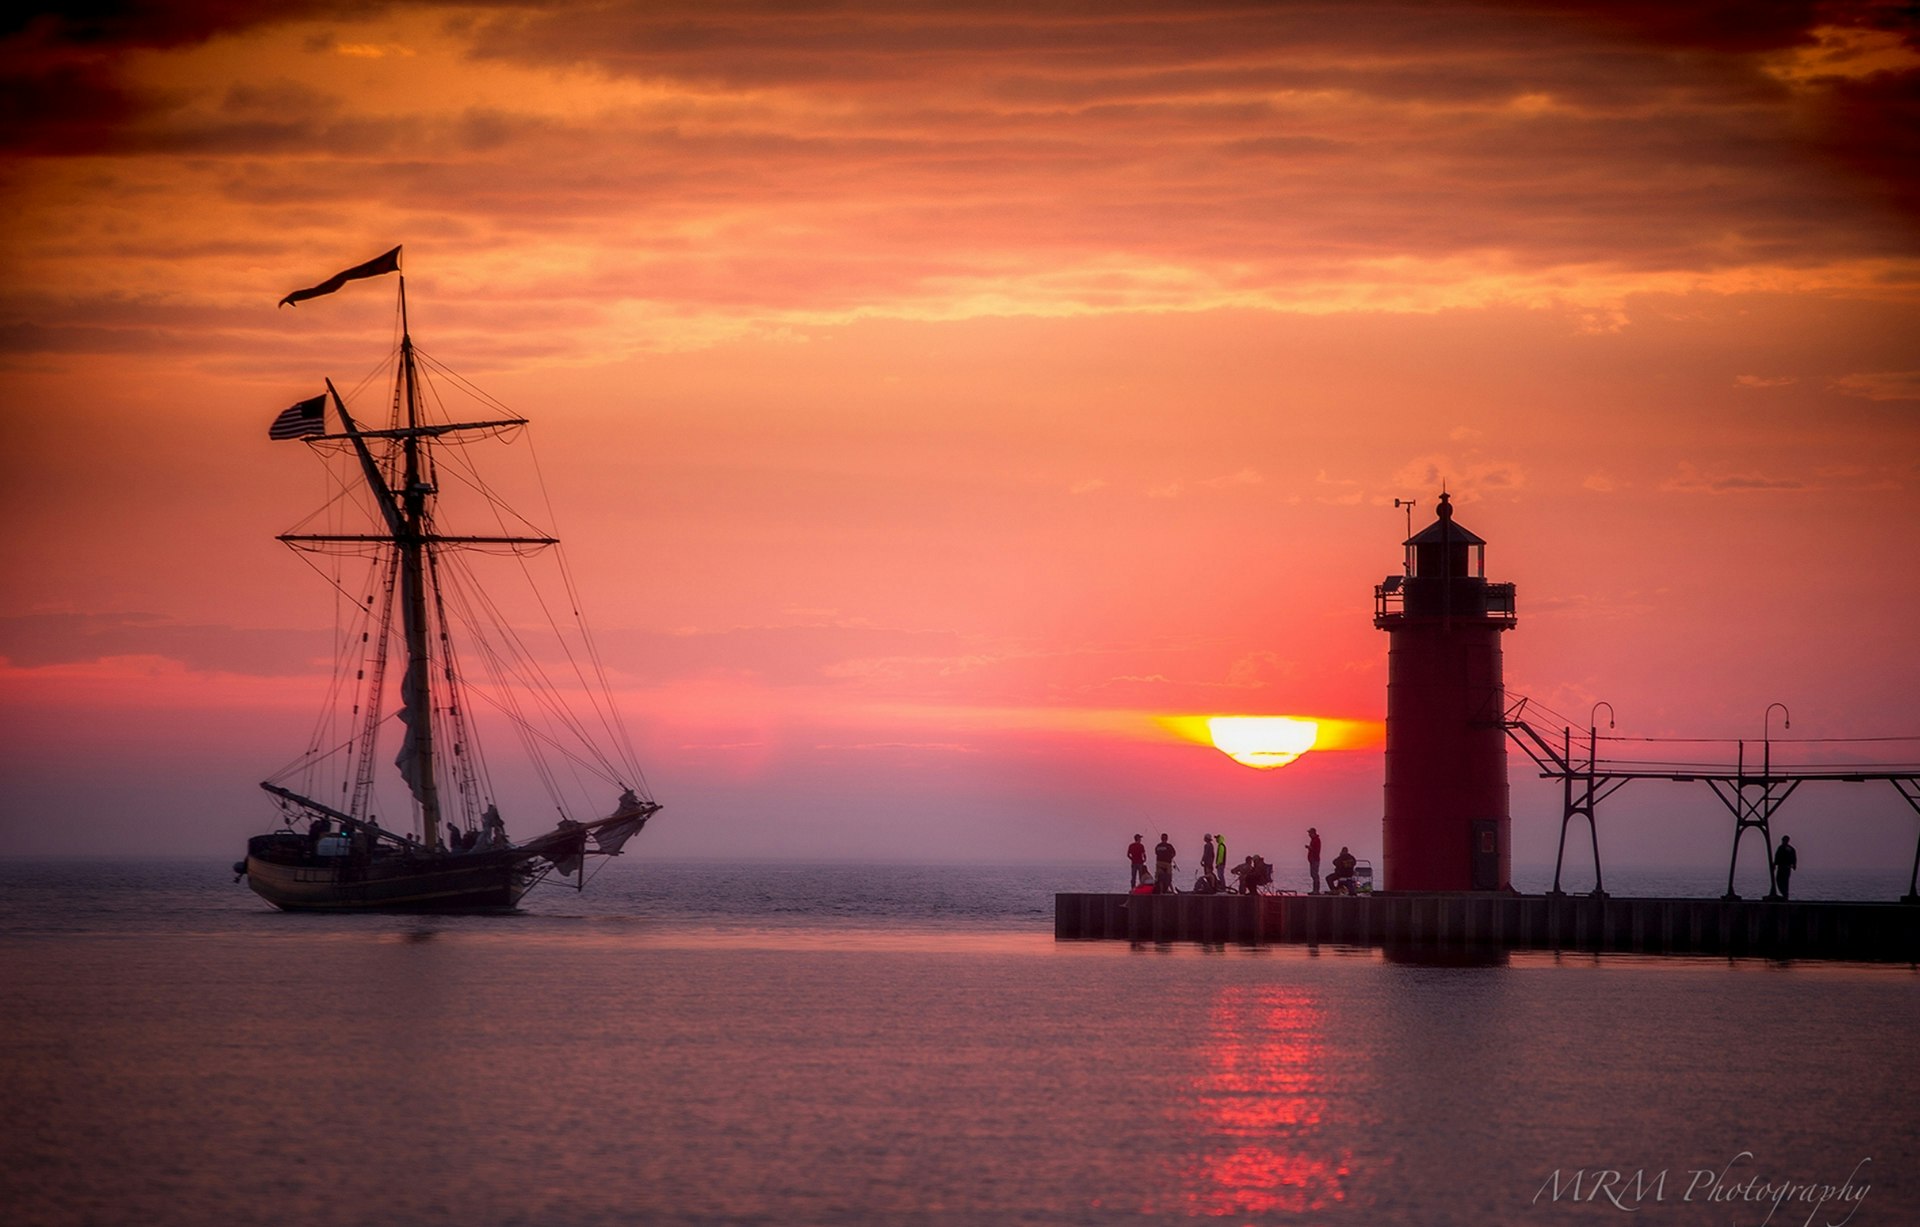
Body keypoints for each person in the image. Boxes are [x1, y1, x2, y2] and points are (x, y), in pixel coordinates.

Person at [1774, 835, 1798, 900]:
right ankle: (1785, 895)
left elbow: (1777, 856)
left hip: (1782, 867)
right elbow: (1794, 858)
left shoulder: (1781, 848)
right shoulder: (1791, 849)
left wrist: (1775, 864)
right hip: (1787, 868)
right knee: (1785, 882)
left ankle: (1784, 894)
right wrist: (1794, 865)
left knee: (1779, 880)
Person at [1306, 826, 1322, 895]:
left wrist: (1310, 848)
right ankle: (1314, 890)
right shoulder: (1313, 840)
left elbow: (1316, 850)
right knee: (1313, 875)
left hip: (1315, 860)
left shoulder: (1316, 840)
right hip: (1312, 860)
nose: (1309, 834)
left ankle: (1316, 890)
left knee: (1315, 875)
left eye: (1310, 833)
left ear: (1313, 833)